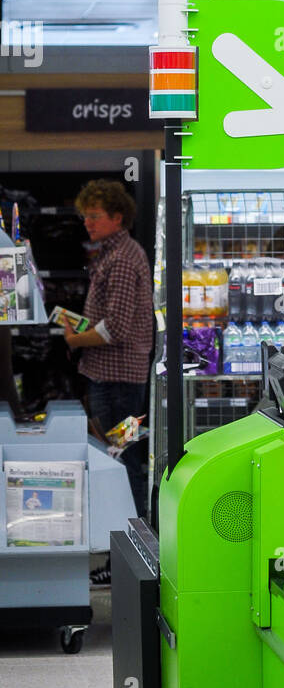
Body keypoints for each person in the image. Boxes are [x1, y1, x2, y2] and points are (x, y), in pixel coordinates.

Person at [61, 181, 153, 536]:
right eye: (85, 216)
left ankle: (133, 549)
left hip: (117, 382)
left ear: (118, 217)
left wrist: (74, 337)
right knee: (122, 457)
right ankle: (131, 548)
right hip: (116, 380)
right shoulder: (116, 255)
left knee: (122, 461)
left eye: (95, 216)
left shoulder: (122, 260)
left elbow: (115, 328)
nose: (87, 222)